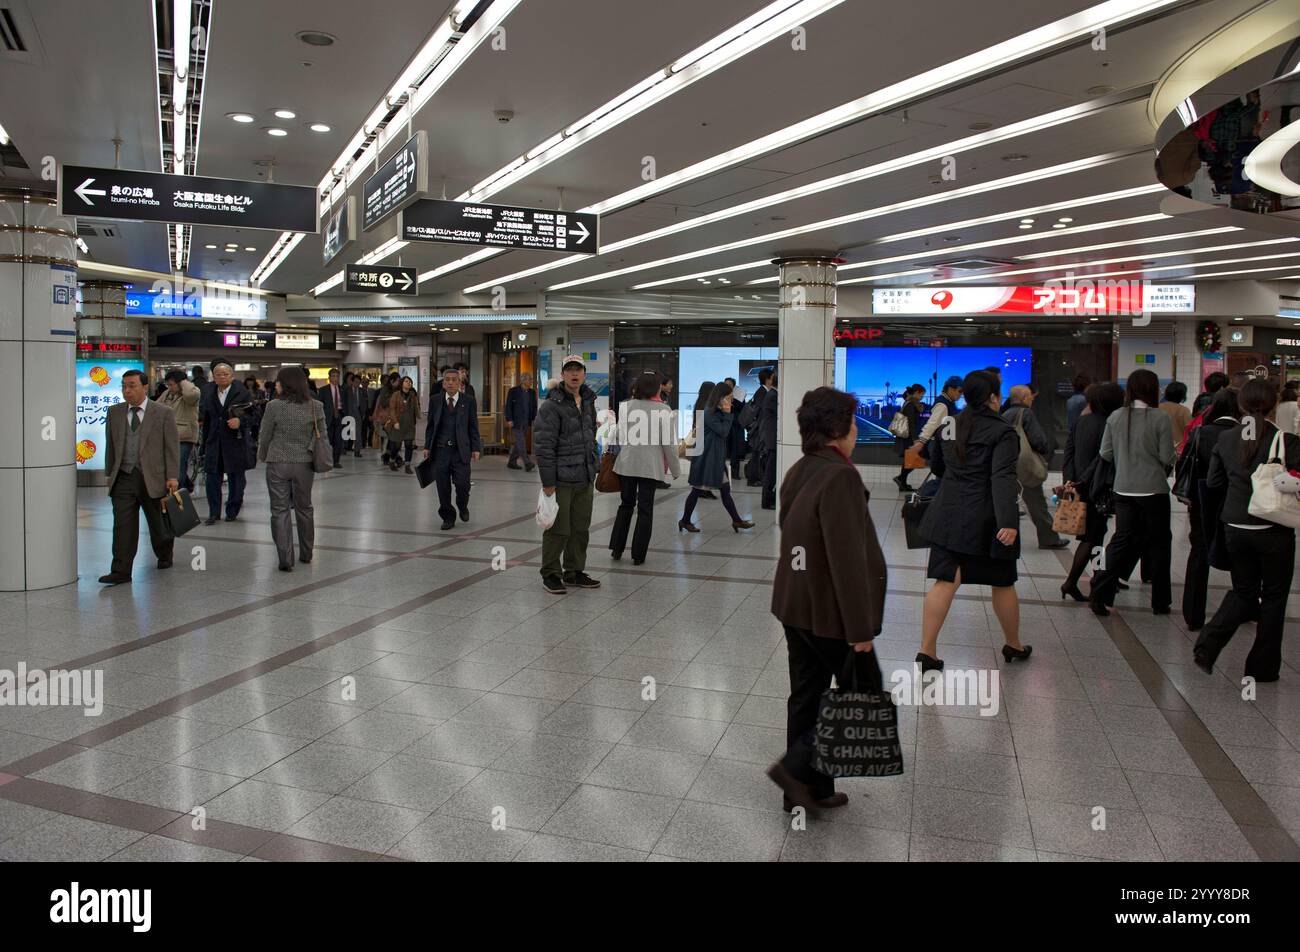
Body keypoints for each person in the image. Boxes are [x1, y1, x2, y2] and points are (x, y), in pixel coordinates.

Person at [766, 387, 886, 813]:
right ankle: (795, 771)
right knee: (861, 691)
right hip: (828, 611)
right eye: (853, 422)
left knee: (807, 694)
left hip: (793, 602)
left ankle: (806, 792)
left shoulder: (801, 469)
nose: (856, 429)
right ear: (839, 429)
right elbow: (847, 559)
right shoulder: (841, 476)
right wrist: (860, 631)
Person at [917, 370, 1030, 670]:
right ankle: (1013, 644)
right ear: (994, 397)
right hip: (988, 518)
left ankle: (927, 650)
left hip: (949, 514)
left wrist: (958, 482)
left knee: (945, 580)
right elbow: (1002, 477)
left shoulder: (950, 424)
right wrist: (1008, 521)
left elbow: (938, 465)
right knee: (1002, 582)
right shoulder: (1002, 431)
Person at [1193, 379, 1300, 682]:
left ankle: (1208, 642)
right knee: (1275, 597)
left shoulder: (1225, 439)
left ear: (1241, 406)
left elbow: (1213, 483)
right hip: (1273, 528)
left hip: (1235, 527)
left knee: (1244, 592)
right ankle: (1261, 668)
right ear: (1274, 404)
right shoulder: (1286, 440)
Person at [1088, 369, 1177, 617]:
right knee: (1160, 543)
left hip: (1123, 488)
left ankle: (1100, 592)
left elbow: (1105, 453)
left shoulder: (1116, 417)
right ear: (1153, 389)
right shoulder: (1160, 418)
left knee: (1121, 539)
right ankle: (1160, 602)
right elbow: (1166, 456)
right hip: (1153, 490)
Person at [100, 368, 179, 584]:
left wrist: (172, 476)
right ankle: (121, 570)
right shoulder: (114, 412)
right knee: (123, 525)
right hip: (124, 476)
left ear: (145, 387)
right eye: (124, 386)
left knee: (158, 524)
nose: (127, 391)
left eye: (132, 386)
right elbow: (111, 445)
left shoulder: (163, 413)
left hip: (153, 477)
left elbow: (171, 448)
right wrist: (110, 473)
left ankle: (164, 553)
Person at [535, 355, 600, 595]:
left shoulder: (589, 401)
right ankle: (551, 574)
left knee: (580, 527)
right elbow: (543, 446)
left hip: (584, 475)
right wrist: (548, 482)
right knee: (558, 529)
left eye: (578, 370)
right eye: (569, 370)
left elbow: (591, 435)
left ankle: (574, 571)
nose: (574, 374)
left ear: (584, 373)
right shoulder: (552, 405)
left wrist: (594, 465)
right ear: (562, 375)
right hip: (561, 479)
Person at [1180, 388, 1241, 629]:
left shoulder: (1200, 432)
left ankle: (1193, 614)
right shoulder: (1243, 435)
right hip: (1235, 502)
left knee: (1199, 553)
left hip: (1202, 501)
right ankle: (1244, 606)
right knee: (1240, 556)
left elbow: (1185, 464)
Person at [256, 366, 325, 572]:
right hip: (304, 465)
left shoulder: (274, 406)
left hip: (278, 463)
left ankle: (285, 558)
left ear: (286, 384)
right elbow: (322, 435)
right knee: (305, 508)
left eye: (278, 381)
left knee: (279, 510)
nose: (275, 384)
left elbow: (265, 434)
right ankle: (307, 553)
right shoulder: (316, 406)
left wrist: (262, 455)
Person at [1060, 382, 1124, 600]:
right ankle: (1071, 581)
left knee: (1097, 537)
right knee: (1092, 537)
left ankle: (1099, 576)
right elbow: (1101, 458)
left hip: (1080, 485)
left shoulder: (1081, 421)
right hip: (1096, 487)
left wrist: (1070, 479)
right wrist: (1084, 480)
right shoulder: (1111, 423)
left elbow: (1069, 451)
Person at [609, 371, 679, 564]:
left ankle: (617, 548)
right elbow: (669, 445)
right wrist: (676, 470)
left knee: (626, 505)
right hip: (650, 466)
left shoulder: (626, 406)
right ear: (657, 388)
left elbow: (618, 436)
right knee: (645, 509)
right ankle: (638, 555)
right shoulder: (664, 411)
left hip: (627, 463)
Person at [678, 382, 755, 533]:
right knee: (697, 490)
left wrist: (727, 413)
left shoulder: (715, 412)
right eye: (728, 398)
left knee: (725, 490)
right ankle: (685, 520)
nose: (730, 401)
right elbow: (723, 431)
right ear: (719, 398)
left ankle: (737, 520)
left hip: (715, 458)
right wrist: (727, 414)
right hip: (707, 459)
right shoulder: (709, 413)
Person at [1001, 384, 1066, 548]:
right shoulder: (1026, 413)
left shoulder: (1005, 414)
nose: (1032, 399)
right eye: (1030, 396)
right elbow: (1038, 441)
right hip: (1025, 468)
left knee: (1006, 503)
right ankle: (1049, 539)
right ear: (1024, 398)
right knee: (1037, 504)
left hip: (1007, 466)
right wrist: (1044, 452)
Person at [423, 366, 481, 530]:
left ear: (459, 383)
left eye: (454, 380)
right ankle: (448, 516)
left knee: (463, 484)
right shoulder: (435, 400)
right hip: (440, 450)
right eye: (447, 380)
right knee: (442, 486)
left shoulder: (468, 401)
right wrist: (427, 446)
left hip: (460, 450)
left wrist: (476, 448)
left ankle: (462, 505)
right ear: (443, 383)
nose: (450, 383)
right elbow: (430, 426)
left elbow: (473, 426)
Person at [200, 359, 253, 525]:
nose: (222, 377)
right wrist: (204, 443)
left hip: (235, 441)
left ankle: (232, 510)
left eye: (225, 374)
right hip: (214, 441)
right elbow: (206, 418)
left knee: (236, 478)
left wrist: (240, 421)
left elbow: (254, 415)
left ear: (232, 376)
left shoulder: (241, 392)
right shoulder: (208, 392)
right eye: (218, 375)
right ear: (213, 377)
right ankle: (213, 513)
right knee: (212, 478)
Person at [159, 368, 200, 492]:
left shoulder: (191, 393)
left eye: (172, 384)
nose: (170, 387)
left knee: (179, 465)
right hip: (169, 435)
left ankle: (179, 492)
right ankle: (186, 485)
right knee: (173, 465)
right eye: (168, 385)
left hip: (185, 436)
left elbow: (191, 395)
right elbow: (156, 408)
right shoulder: (167, 394)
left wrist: (184, 382)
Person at [910, 375, 962, 461]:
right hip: (940, 445)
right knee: (943, 472)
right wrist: (921, 441)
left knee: (944, 472)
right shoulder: (943, 405)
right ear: (951, 389)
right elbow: (932, 424)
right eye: (960, 391)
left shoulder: (949, 402)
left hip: (944, 445)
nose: (961, 394)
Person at [891, 383, 925, 492]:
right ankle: (901, 479)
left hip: (906, 437)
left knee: (909, 460)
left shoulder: (908, 402)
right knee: (913, 460)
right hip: (909, 437)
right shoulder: (911, 404)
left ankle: (902, 482)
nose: (922, 398)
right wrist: (915, 439)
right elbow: (911, 423)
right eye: (921, 395)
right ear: (916, 393)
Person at [505, 372, 538, 471]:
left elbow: (534, 406)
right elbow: (508, 407)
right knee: (521, 442)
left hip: (526, 421)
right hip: (516, 421)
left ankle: (511, 462)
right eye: (530, 379)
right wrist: (509, 419)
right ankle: (527, 463)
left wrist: (533, 418)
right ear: (524, 380)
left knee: (519, 443)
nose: (532, 381)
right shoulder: (513, 391)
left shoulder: (532, 392)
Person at [758, 368, 779, 509]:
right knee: (770, 474)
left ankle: (770, 499)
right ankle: (766, 502)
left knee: (771, 472)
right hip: (771, 440)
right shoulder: (772, 396)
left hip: (772, 439)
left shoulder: (772, 394)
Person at [745, 370, 771, 486]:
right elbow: (760, 414)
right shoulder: (762, 392)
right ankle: (753, 479)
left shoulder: (762, 392)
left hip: (759, 429)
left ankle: (756, 478)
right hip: (758, 430)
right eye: (773, 377)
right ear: (768, 379)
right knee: (756, 455)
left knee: (757, 455)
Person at [317, 368, 346, 468]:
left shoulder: (343, 389)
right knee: (328, 440)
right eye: (333, 376)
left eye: (337, 376)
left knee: (338, 440)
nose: (335, 378)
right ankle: (327, 461)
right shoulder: (323, 390)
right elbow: (319, 405)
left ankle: (336, 461)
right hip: (328, 417)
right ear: (329, 378)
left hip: (339, 417)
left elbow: (346, 404)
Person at [374, 373, 403, 468]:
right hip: (387, 418)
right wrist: (393, 398)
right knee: (391, 439)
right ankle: (392, 457)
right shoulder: (385, 390)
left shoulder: (398, 390)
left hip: (395, 417)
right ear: (392, 381)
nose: (399, 383)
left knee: (394, 439)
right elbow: (383, 403)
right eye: (397, 381)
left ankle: (390, 456)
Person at [724, 376, 747, 479]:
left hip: (736, 426)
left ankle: (735, 473)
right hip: (724, 426)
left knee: (735, 451)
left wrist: (733, 401)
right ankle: (723, 473)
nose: (727, 386)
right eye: (725, 384)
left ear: (733, 386)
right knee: (723, 450)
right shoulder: (720, 395)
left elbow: (743, 409)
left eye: (729, 385)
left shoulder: (739, 395)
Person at [1159, 381, 1191, 451]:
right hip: (1178, 450)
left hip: (1158, 448)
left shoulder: (1157, 408)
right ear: (1182, 395)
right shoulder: (1184, 411)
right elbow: (1189, 431)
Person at [342, 372, 365, 457]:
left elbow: (364, 403)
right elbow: (343, 402)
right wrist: (345, 412)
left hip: (358, 413)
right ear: (352, 382)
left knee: (358, 432)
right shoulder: (346, 390)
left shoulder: (362, 391)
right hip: (348, 413)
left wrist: (363, 412)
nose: (357, 384)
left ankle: (357, 451)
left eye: (359, 382)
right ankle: (343, 448)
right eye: (355, 382)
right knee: (346, 431)